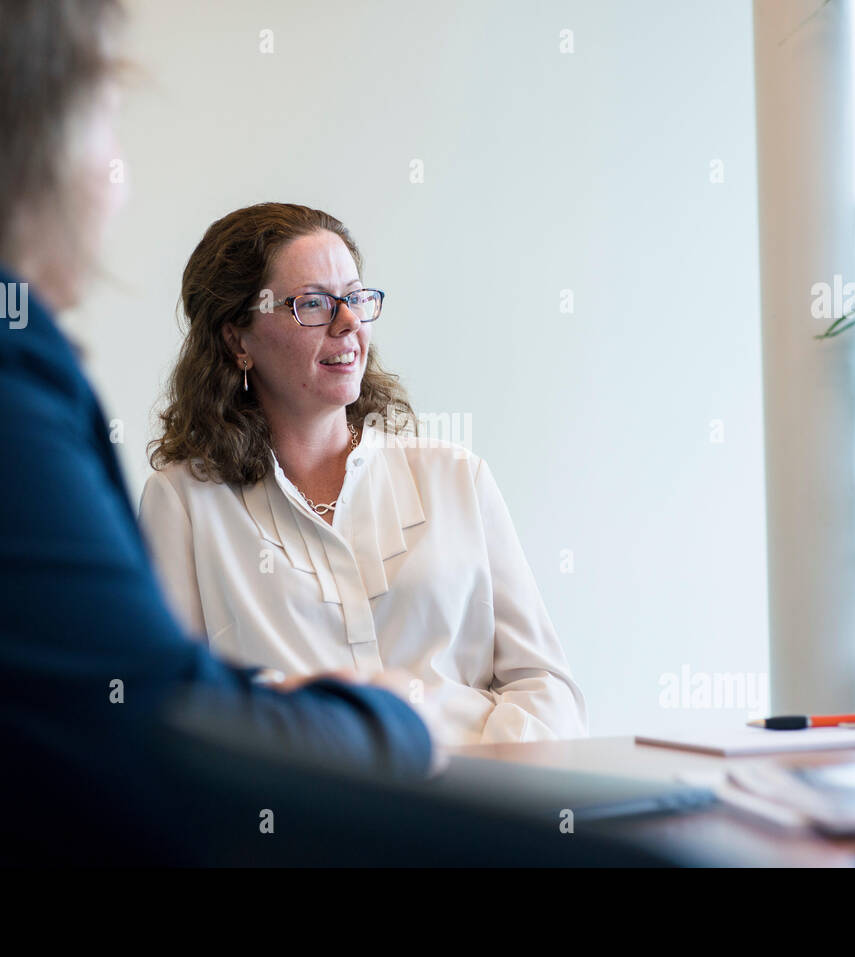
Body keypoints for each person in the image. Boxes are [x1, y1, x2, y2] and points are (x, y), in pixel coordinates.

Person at [0, 0, 438, 866]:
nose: (116, 174)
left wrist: (265, 709)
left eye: (357, 298)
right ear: (15, 131)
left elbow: (58, 693)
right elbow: (152, 753)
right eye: (108, 110)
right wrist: (389, 727)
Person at [139, 203, 588, 746]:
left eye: (354, 298)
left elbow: (547, 690)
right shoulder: (184, 501)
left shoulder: (456, 478)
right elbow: (173, 715)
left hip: (468, 814)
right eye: (313, 304)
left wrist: (450, 757)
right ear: (238, 341)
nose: (348, 322)